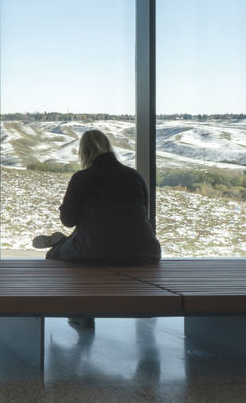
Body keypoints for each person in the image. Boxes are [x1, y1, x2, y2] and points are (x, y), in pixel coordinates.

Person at [32, 129, 163, 329]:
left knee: (53, 255)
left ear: (83, 153)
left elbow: (68, 219)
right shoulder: (134, 176)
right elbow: (142, 213)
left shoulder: (82, 178)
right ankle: (66, 242)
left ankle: (80, 313)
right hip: (143, 251)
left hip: (93, 250)